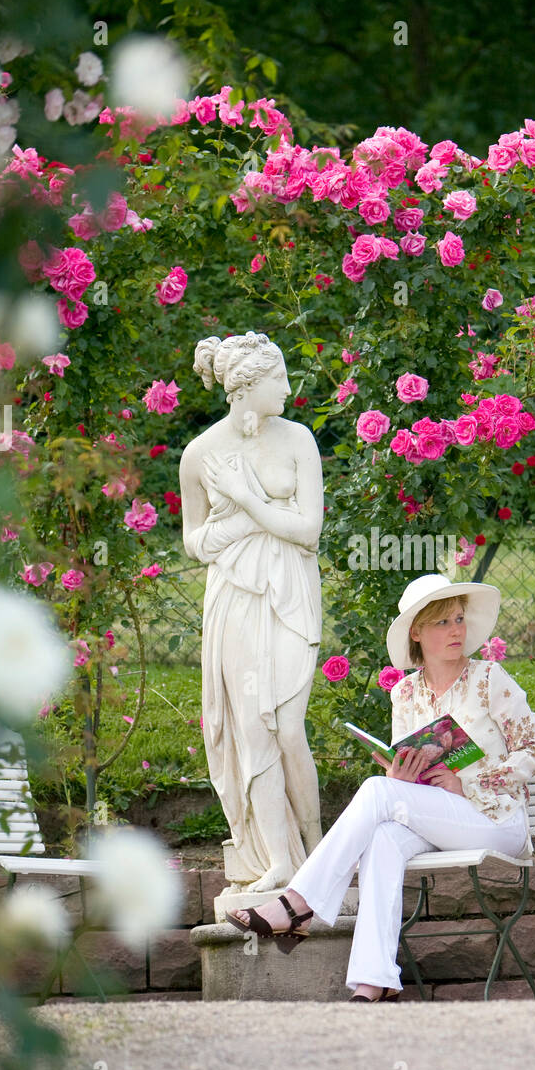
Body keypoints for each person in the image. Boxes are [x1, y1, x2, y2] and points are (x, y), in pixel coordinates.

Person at [226, 573, 535, 1001]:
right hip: (438, 816)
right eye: (442, 623)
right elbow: (406, 766)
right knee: (383, 835)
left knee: (379, 794)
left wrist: (464, 781)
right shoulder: (405, 694)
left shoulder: (490, 679)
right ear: (417, 632)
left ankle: (296, 905)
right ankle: (373, 981)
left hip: (497, 819)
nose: (456, 630)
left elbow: (531, 752)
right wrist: (403, 778)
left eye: (458, 619)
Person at [179, 331, 324, 893]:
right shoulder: (199, 454)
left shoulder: (299, 440)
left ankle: (316, 845)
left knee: (289, 726)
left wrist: (245, 499)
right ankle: (280, 860)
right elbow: (195, 541)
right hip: (234, 600)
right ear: (245, 387)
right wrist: (259, 513)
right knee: (251, 731)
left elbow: (308, 532)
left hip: (288, 592)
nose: (287, 389)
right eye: (278, 380)